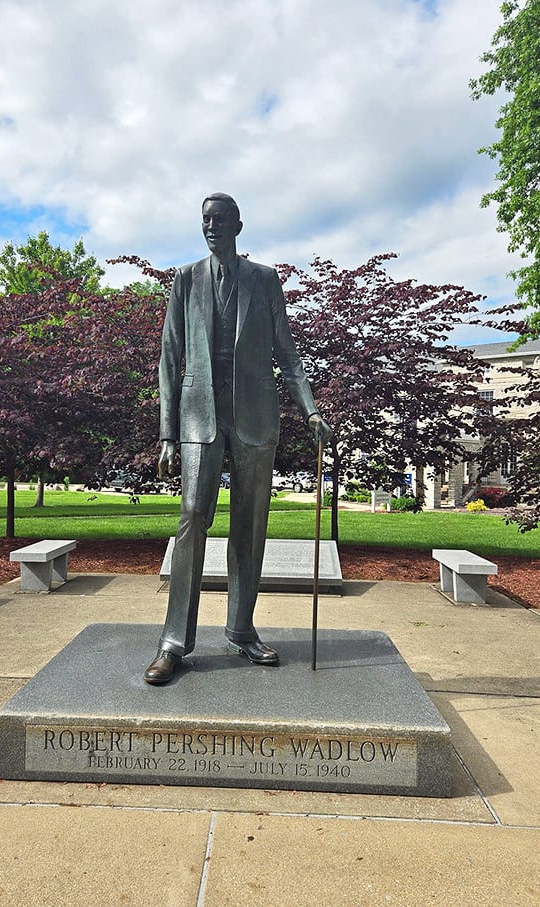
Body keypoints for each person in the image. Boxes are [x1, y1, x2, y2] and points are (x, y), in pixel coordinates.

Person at [144, 192, 331, 684]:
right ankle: (173, 642)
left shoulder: (264, 280)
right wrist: (167, 434)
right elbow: (169, 358)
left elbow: (287, 353)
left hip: (254, 414)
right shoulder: (186, 279)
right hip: (199, 416)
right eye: (206, 220)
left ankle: (241, 629)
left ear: (238, 226)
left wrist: (310, 410)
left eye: (221, 219)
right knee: (192, 516)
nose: (212, 227)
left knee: (250, 524)